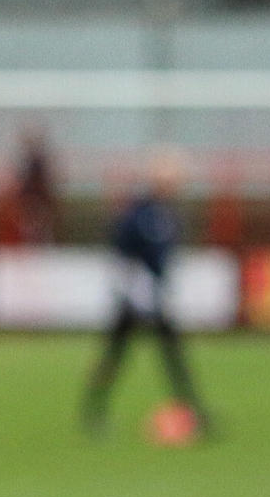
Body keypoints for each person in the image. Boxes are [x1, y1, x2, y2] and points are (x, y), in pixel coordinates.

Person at [80, 148, 211, 436]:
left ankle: (194, 411)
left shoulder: (168, 214)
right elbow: (122, 250)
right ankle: (93, 411)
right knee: (120, 355)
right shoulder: (141, 213)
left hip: (153, 295)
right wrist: (134, 291)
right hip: (137, 296)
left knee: (169, 354)